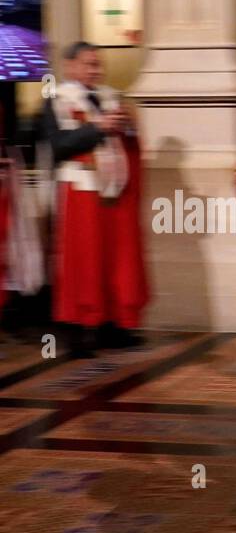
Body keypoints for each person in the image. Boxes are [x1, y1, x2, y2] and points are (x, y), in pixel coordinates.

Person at [43, 41, 148, 357]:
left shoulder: (108, 97)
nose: (96, 70)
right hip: (80, 192)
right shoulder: (56, 101)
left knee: (113, 260)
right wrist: (98, 127)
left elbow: (125, 140)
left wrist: (128, 128)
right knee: (82, 260)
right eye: (89, 64)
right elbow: (59, 145)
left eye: (98, 64)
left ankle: (112, 325)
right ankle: (77, 331)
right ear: (70, 66)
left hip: (112, 192)